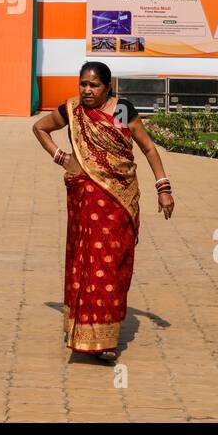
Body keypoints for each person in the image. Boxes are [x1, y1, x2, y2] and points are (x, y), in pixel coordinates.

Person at [31, 62, 174, 361]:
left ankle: (105, 330)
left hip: (119, 198)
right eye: (83, 84)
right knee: (87, 260)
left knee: (113, 264)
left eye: (94, 85)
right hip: (85, 196)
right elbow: (40, 128)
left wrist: (163, 188)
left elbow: (147, 147)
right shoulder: (73, 110)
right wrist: (62, 157)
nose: (87, 90)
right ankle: (90, 335)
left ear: (108, 87)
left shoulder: (120, 110)